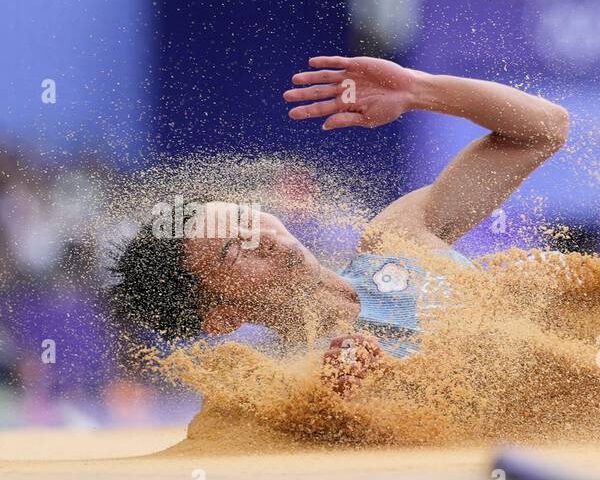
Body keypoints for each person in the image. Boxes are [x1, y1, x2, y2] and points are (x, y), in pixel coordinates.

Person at [109, 54, 569, 395]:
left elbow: (544, 130)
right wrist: (366, 396)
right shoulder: (303, 389)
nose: (261, 238)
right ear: (222, 317)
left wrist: (417, 90)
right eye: (232, 249)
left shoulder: (397, 238)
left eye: (247, 219)